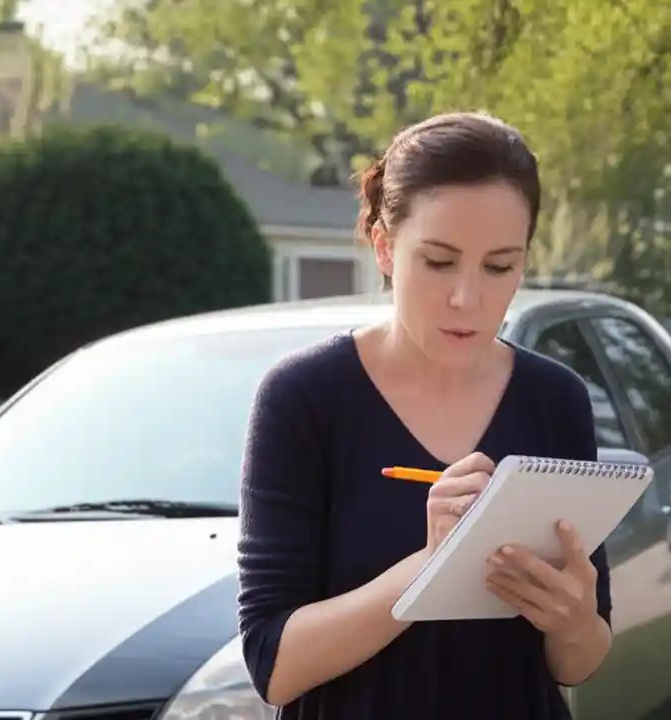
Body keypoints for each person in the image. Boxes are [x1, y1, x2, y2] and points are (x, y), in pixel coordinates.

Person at [235, 111, 614, 718]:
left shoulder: (555, 400)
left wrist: (575, 620)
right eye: (438, 261)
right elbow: (273, 667)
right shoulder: (304, 398)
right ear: (385, 247)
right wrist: (431, 564)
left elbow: (577, 661)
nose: (468, 298)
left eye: (499, 266)